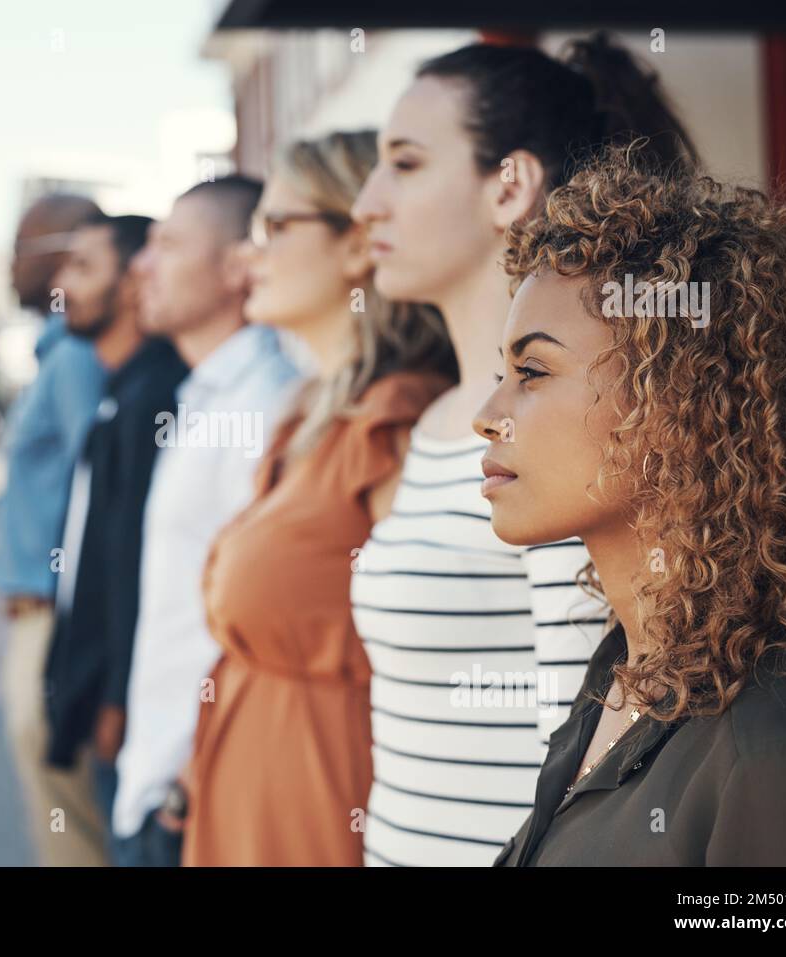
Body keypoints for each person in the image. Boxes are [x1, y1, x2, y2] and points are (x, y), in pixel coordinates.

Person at [347, 34, 699, 866]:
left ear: (510, 186)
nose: (366, 202)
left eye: (404, 163)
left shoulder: (551, 430)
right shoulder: (439, 416)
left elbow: (584, 755)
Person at [480, 147, 786, 865]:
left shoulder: (780, 752)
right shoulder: (623, 673)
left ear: (676, 404)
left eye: (531, 371)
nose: (487, 413)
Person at [181, 131, 457, 866]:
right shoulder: (308, 415)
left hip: (326, 805)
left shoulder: (396, 421)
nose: (248, 254)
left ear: (357, 245)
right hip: (246, 799)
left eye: (275, 227)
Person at [111, 175, 300, 867]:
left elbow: (261, 615)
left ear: (232, 269)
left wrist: (189, 783)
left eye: (166, 243)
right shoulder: (203, 394)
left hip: (190, 792)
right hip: (156, 774)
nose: (142, 264)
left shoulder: (267, 404)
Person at [43, 213, 189, 855]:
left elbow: (139, 560)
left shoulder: (155, 393)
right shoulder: (120, 388)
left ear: (130, 284)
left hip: (128, 708)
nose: (62, 284)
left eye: (84, 267)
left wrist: (115, 698)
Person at [0, 194, 109, 868]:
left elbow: (99, 493)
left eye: (20, 246)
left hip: (55, 621)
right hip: (39, 614)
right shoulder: (56, 353)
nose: (9, 264)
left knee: (70, 834)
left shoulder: (75, 361)